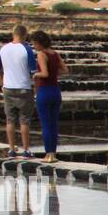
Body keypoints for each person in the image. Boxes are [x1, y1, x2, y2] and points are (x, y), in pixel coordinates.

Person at [0, 24, 38, 159]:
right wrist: (35, 88)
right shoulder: (26, 49)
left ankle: (11, 149)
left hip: (8, 88)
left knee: (10, 120)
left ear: (13, 34)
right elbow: (34, 72)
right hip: (24, 87)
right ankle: (26, 150)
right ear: (24, 35)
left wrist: (2, 84)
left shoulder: (3, 49)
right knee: (24, 121)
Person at [31, 30, 67, 163]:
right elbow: (65, 70)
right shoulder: (55, 54)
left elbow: (44, 74)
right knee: (53, 124)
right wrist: (53, 73)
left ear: (39, 43)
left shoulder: (42, 54)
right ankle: (54, 153)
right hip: (55, 91)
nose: (34, 46)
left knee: (45, 124)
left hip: (44, 91)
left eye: (34, 43)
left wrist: (36, 74)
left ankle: (48, 154)